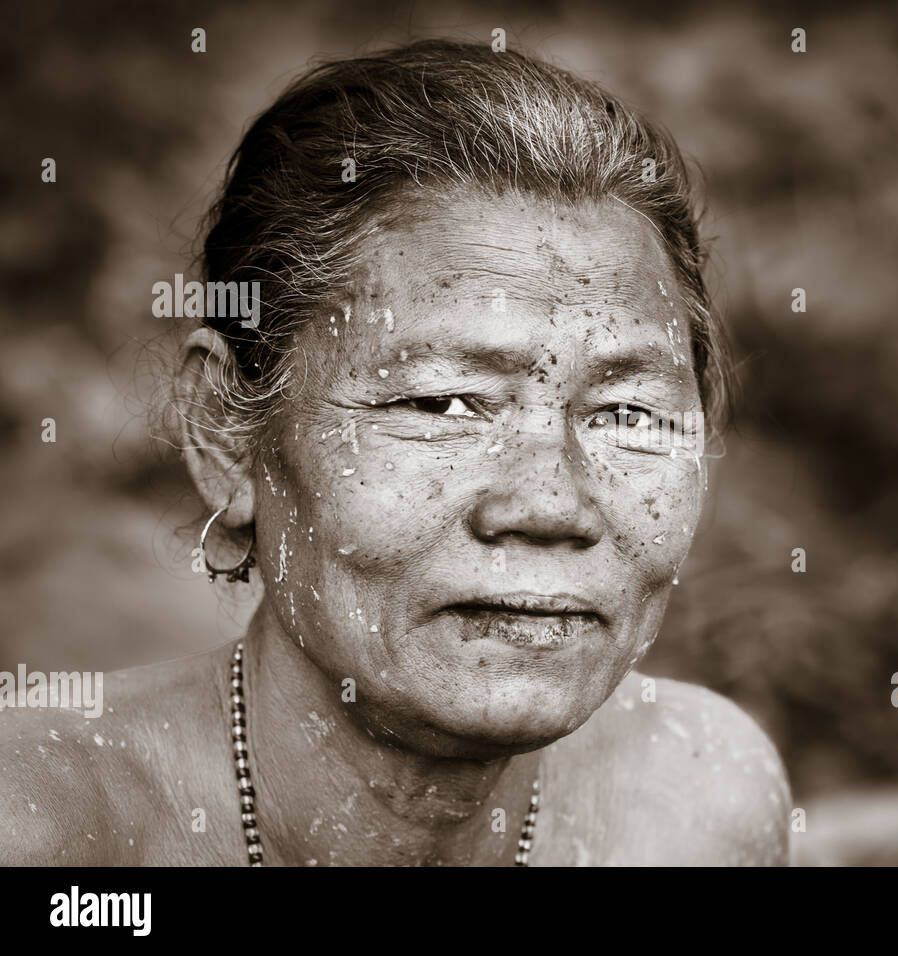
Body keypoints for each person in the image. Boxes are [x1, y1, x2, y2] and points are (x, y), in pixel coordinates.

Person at [0, 38, 790, 866]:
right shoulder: (46, 833)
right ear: (229, 436)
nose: (551, 504)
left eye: (627, 413)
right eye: (441, 402)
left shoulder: (692, 803)